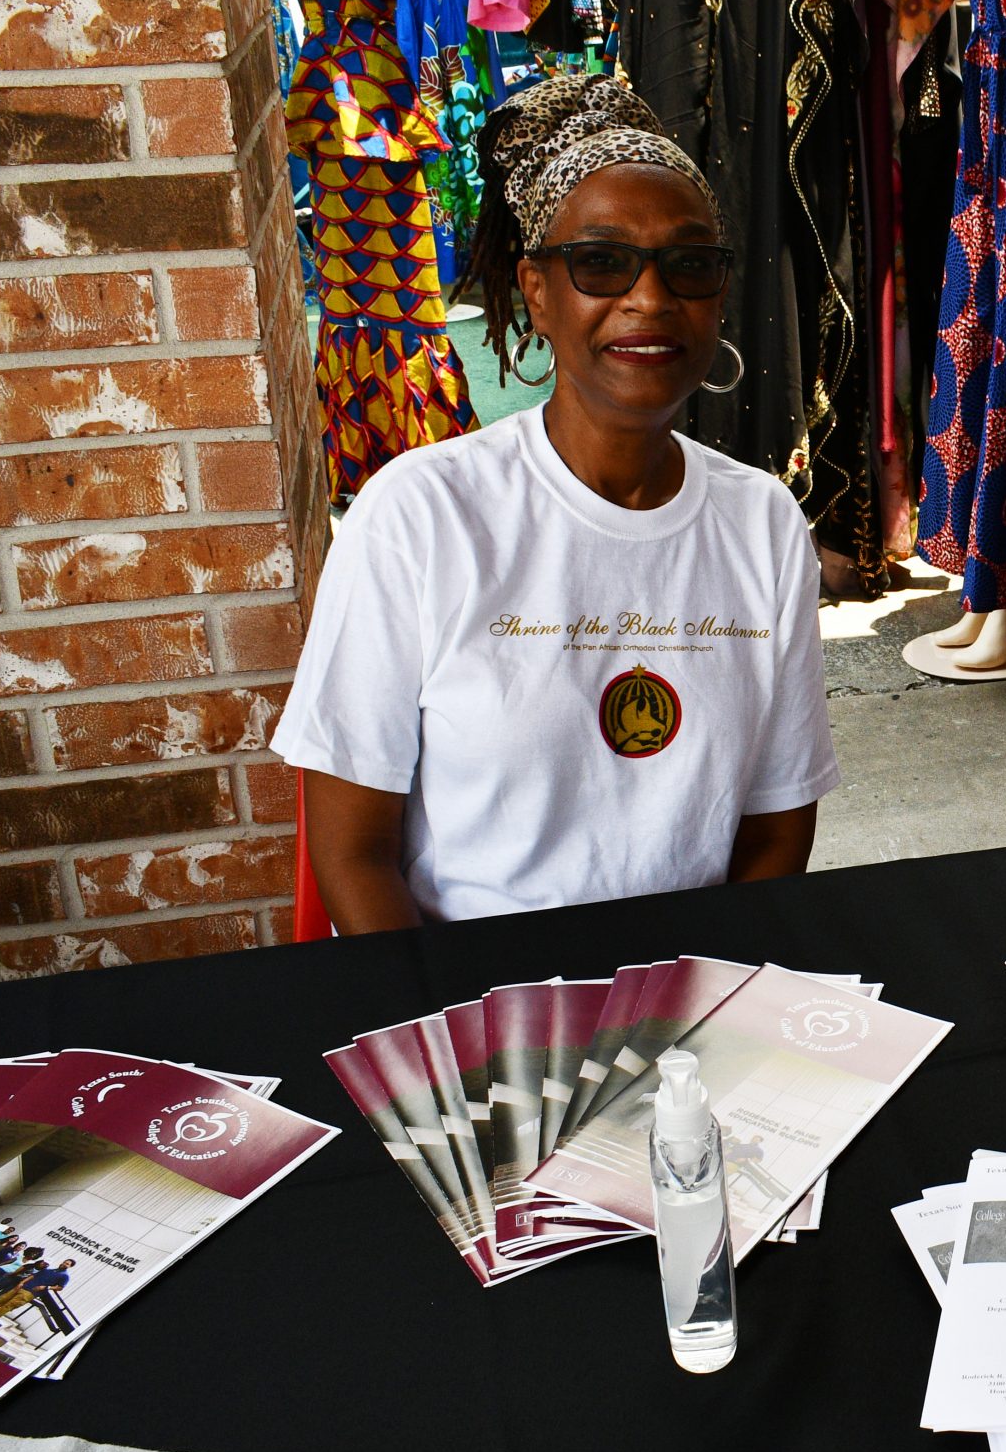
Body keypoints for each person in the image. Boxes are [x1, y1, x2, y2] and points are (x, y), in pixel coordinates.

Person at [275, 74, 841, 930]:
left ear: (718, 295)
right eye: (601, 261)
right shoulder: (420, 517)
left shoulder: (762, 522)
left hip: (691, 1004)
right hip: (481, 1012)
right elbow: (354, 856)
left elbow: (775, 826)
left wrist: (706, 1007)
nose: (649, 298)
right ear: (536, 289)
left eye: (688, 264)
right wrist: (471, 1044)